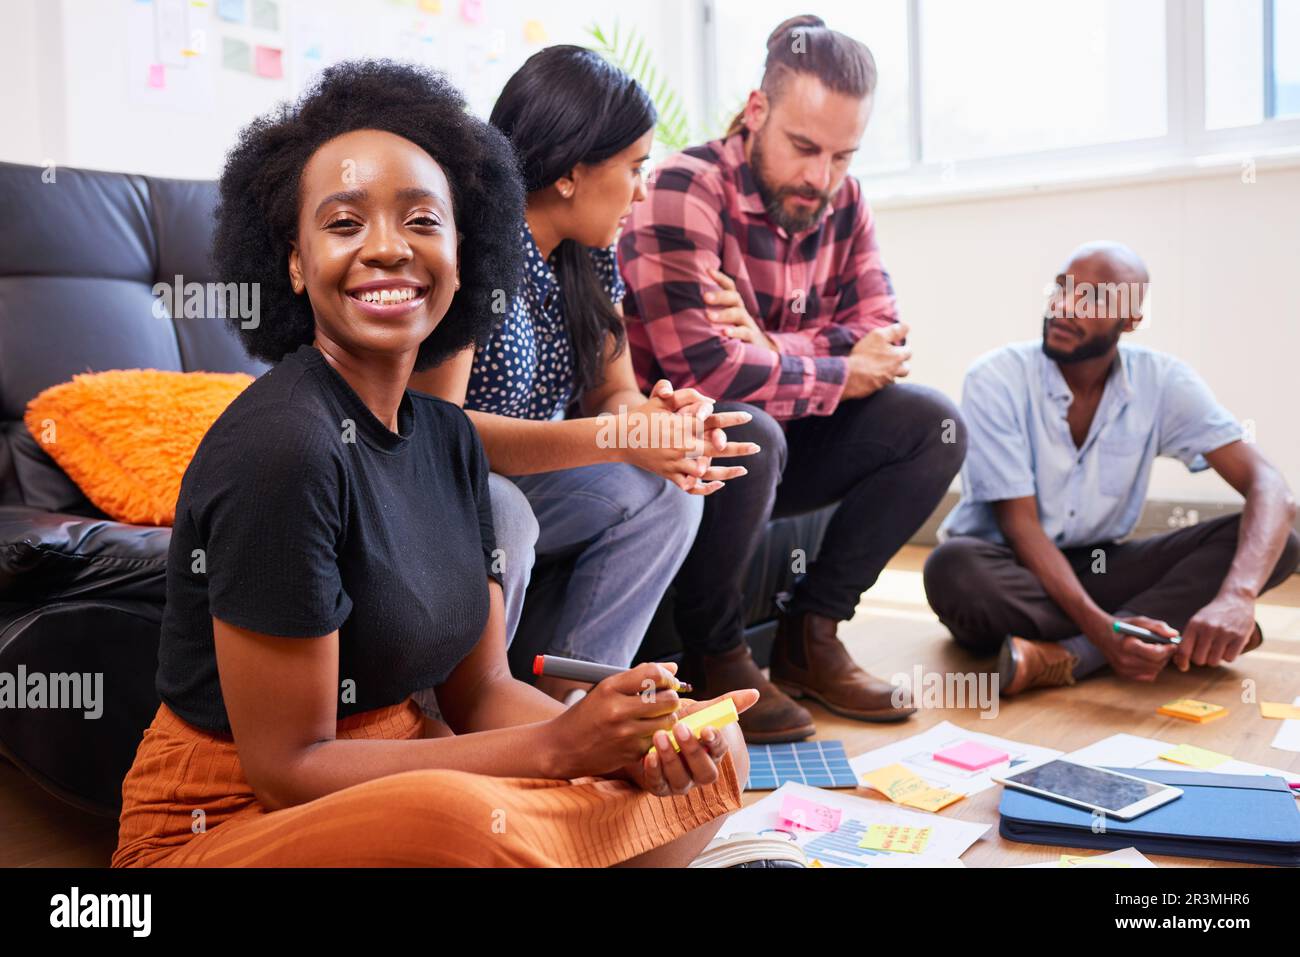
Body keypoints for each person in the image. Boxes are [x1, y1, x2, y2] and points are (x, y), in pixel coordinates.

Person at [112, 60, 754, 868]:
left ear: (464, 249)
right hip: (235, 811)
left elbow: (480, 691)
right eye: (344, 224)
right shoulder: (280, 447)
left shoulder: (447, 437)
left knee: (712, 752)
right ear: (295, 262)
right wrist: (560, 748)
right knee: (454, 823)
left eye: (422, 220)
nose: (387, 248)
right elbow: (287, 768)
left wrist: (625, 738)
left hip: (413, 765)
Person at [619, 15, 965, 742]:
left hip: (786, 434)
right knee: (751, 422)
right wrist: (836, 362)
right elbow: (705, 367)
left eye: (842, 156)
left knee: (934, 425)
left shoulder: (846, 200)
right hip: (688, 442)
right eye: (804, 148)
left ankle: (813, 633)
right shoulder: (685, 187)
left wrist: (773, 342)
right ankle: (715, 654)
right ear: (756, 112)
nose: (821, 177)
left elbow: (885, 337)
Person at [410, 46, 756, 704]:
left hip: (533, 480)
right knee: (503, 508)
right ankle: (462, 718)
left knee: (671, 491)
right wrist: (614, 438)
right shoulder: (472, 248)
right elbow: (439, 432)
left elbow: (611, 390)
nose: (642, 188)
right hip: (449, 489)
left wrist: (652, 420)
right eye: (634, 167)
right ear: (570, 173)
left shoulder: (589, 254)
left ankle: (579, 704)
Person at [925, 241, 1300, 694]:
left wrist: (1236, 598)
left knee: (1281, 542)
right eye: (1062, 289)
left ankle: (1069, 656)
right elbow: (1020, 527)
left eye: (1094, 298)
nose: (1065, 307)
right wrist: (1105, 629)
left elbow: (1269, 484)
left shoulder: (1163, 381)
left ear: (1131, 320)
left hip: (1101, 568)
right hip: (1009, 567)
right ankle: (1166, 636)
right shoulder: (995, 378)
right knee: (952, 568)